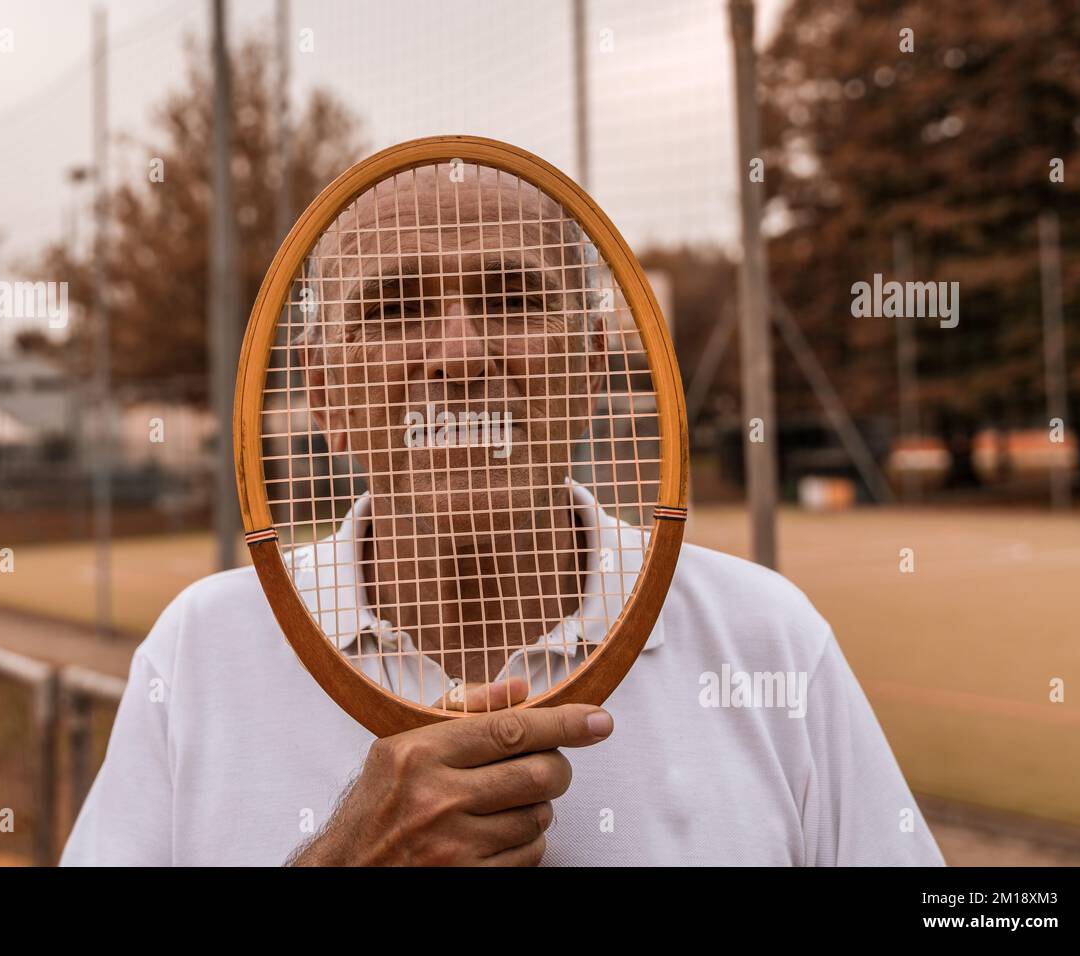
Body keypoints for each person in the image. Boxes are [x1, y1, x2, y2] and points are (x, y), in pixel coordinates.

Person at [61, 167, 944, 867]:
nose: (458, 355)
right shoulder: (200, 649)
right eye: (394, 309)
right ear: (323, 389)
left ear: (594, 363)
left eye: (513, 299)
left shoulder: (768, 640)